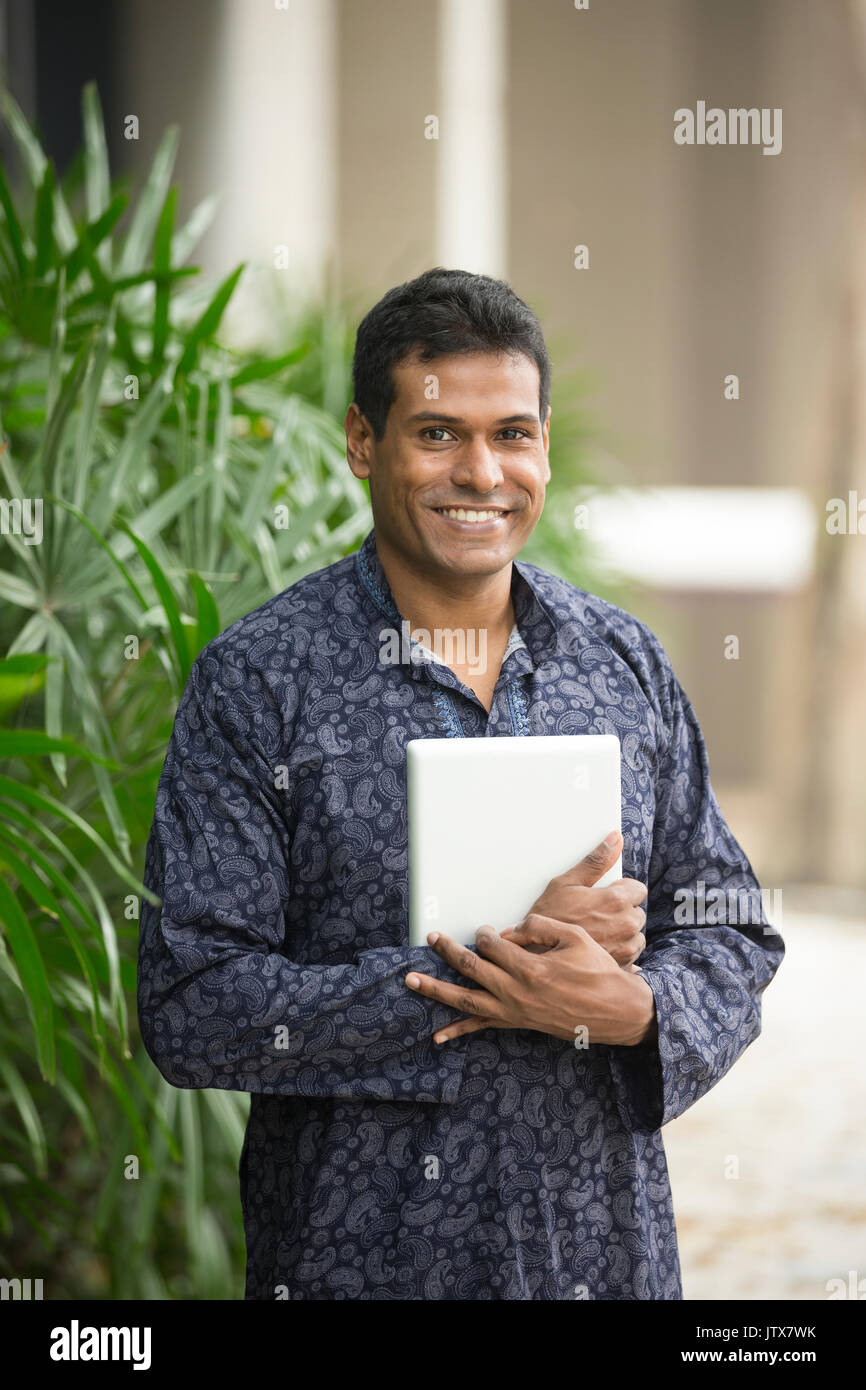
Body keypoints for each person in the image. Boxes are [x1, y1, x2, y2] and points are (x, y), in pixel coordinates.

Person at [137, 267, 784, 1300]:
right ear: (363, 441)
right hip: (359, 1260)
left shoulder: (619, 663)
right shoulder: (259, 682)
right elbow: (192, 1003)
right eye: (437, 433)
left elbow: (731, 927)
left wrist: (634, 1008)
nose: (481, 471)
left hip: (598, 1260)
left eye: (511, 433)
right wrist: (485, 981)